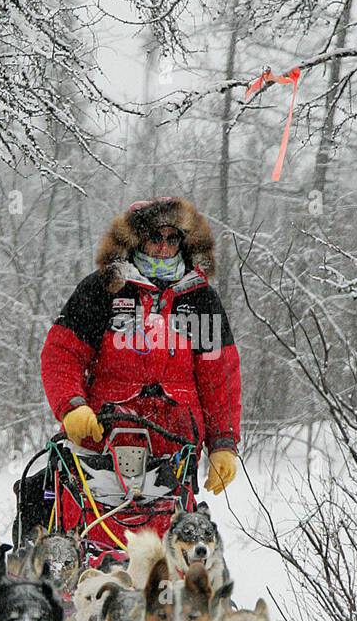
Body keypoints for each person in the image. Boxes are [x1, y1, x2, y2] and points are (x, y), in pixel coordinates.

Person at [18, 197, 241, 539]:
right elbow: (62, 354)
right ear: (137, 239)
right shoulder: (104, 289)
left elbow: (218, 377)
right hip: (101, 443)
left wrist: (223, 443)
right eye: (155, 237)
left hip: (174, 453)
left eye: (172, 239)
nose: (163, 247)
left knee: (168, 559)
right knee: (91, 544)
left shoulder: (201, 300)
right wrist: (72, 407)